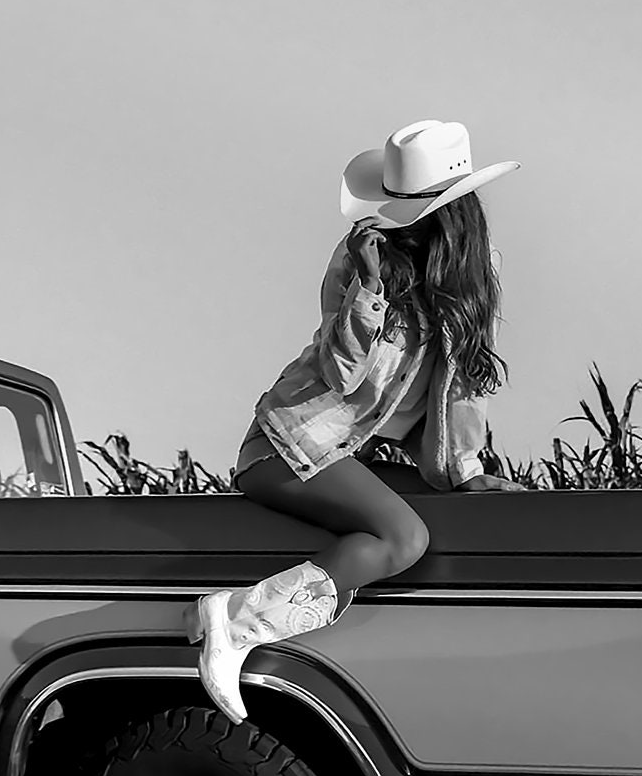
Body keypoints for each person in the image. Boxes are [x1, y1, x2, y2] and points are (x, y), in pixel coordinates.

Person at [192, 118, 520, 721]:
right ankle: (238, 620)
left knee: (451, 518)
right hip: (290, 440)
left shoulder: (474, 276)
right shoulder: (361, 260)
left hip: (349, 454)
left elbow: (462, 388)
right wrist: (368, 290)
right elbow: (338, 375)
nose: (398, 221)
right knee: (405, 537)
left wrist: (468, 469)